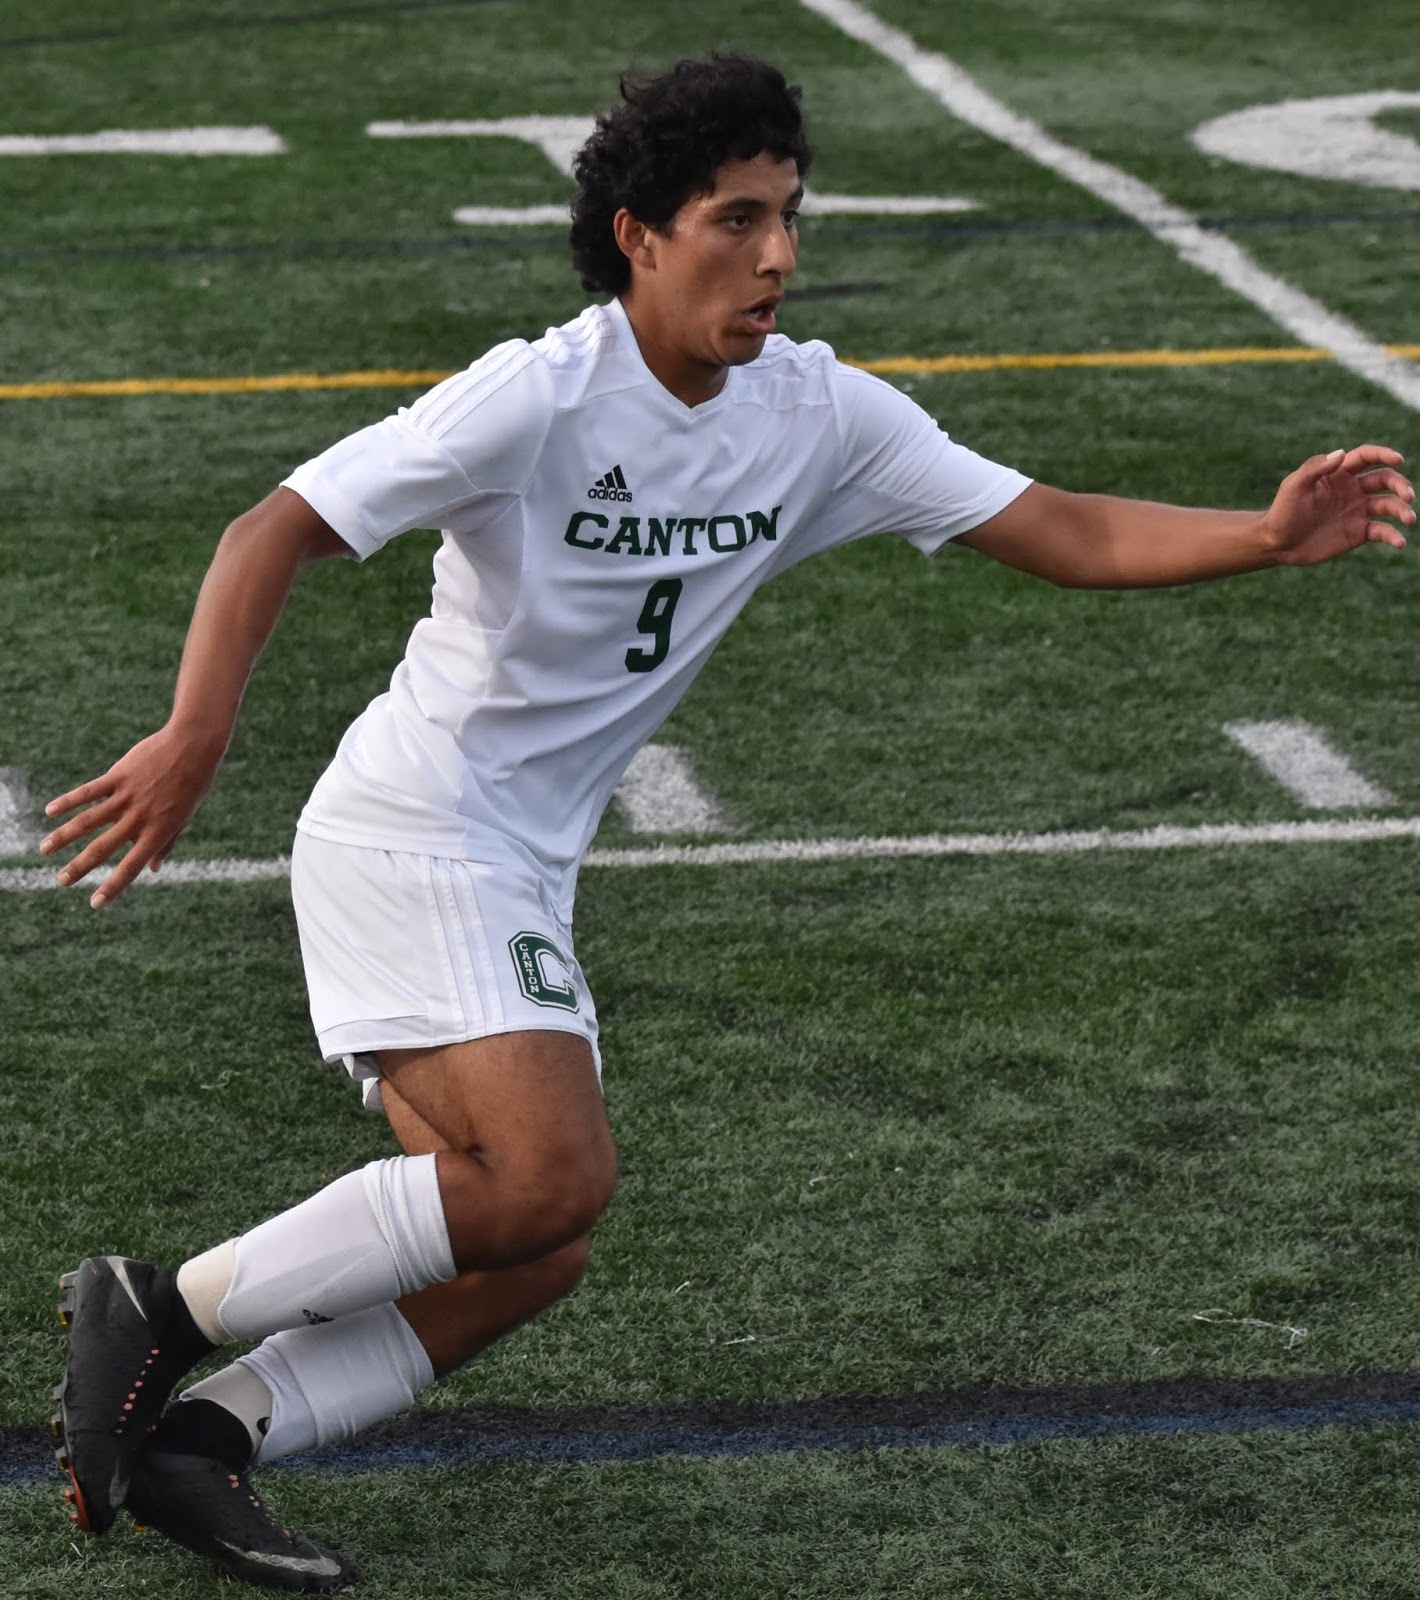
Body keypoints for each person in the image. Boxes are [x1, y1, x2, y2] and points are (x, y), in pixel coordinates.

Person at [44, 51, 1412, 1594]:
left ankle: (206, 1440)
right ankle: (155, 1306)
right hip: (414, 830)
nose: (776, 256)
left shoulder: (817, 415)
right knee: (554, 1176)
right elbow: (273, 525)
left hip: (518, 862)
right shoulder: (541, 393)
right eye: (737, 220)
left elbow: (1064, 530)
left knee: (530, 1245)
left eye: (791, 219)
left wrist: (1265, 535)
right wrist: (195, 733)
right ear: (639, 234)